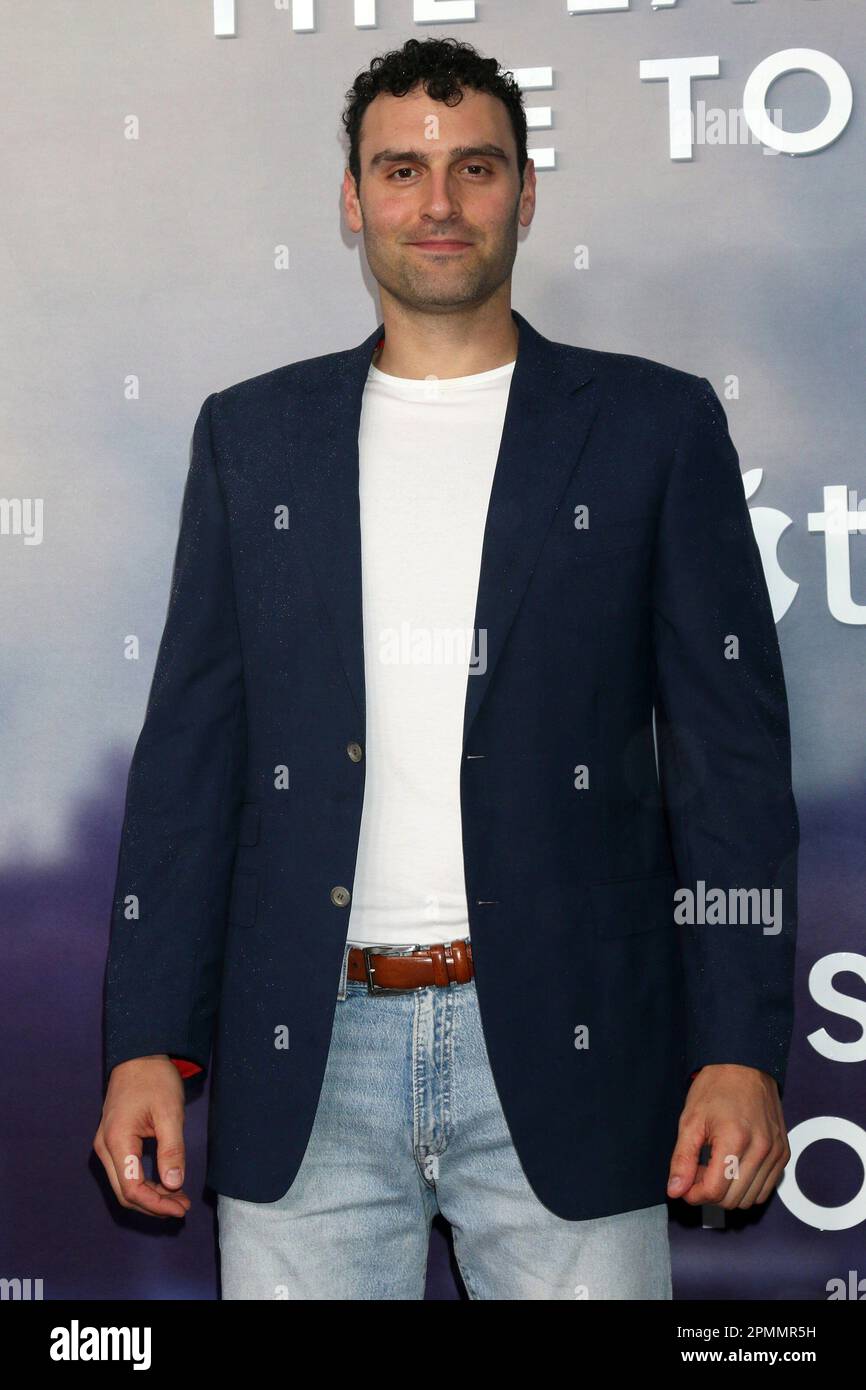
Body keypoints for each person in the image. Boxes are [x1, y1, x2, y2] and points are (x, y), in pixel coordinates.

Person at [94, 36, 799, 1300]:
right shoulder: (250, 439)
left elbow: (727, 766)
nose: (437, 203)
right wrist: (149, 1039)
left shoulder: (652, 427)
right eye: (401, 170)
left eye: (473, 168)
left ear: (524, 195)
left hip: (570, 1049)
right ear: (351, 200)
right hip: (305, 1053)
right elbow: (191, 761)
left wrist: (740, 1045)